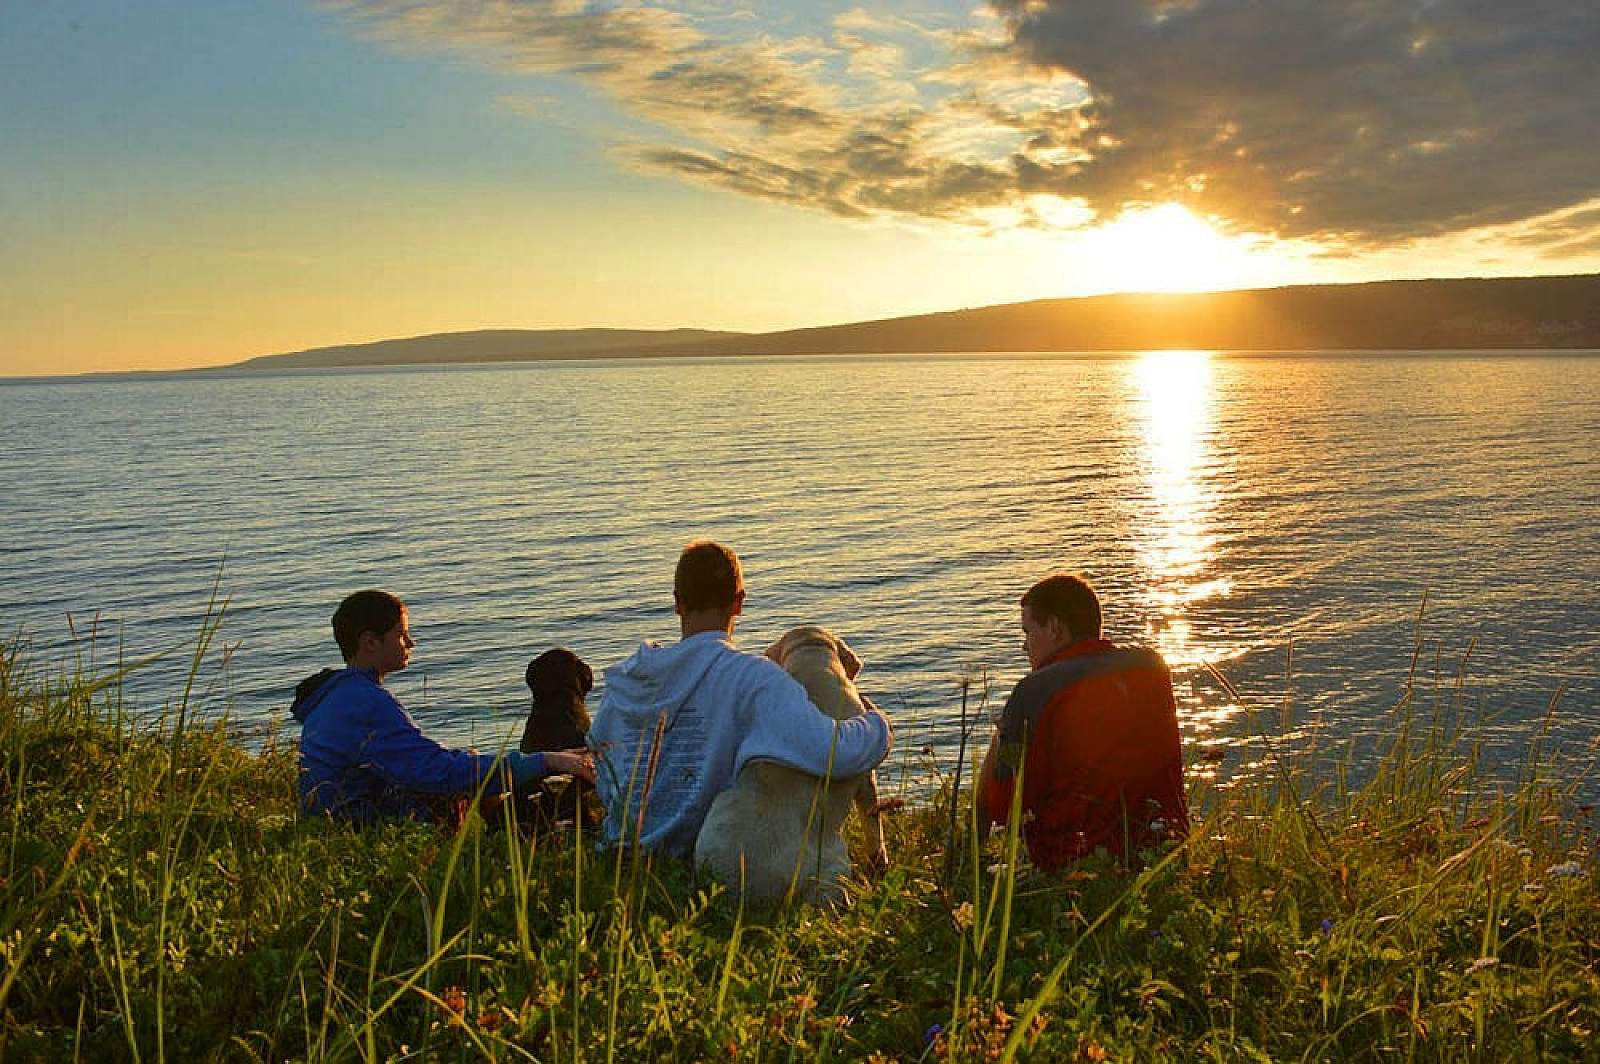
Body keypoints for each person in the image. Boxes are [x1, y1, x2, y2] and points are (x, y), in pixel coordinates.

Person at [588, 541, 894, 857]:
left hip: (615, 855)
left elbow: (603, 769)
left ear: (678, 603)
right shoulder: (753, 678)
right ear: (739, 603)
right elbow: (836, 754)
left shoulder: (627, 678)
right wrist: (878, 724)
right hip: (699, 858)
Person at [291, 589, 593, 824]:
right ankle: (510, 838)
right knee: (467, 776)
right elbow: (438, 773)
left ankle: (504, 828)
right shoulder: (364, 702)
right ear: (370, 642)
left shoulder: (339, 693)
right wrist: (545, 761)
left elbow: (415, 762)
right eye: (401, 635)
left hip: (336, 815)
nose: (411, 643)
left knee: (471, 763)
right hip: (357, 823)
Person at [976, 572, 1188, 869]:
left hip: (1074, 865)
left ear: (1054, 628)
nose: (1025, 646)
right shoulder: (1150, 668)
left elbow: (1003, 809)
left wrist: (1002, 736)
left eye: (1028, 632)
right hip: (1165, 854)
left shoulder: (1035, 690)